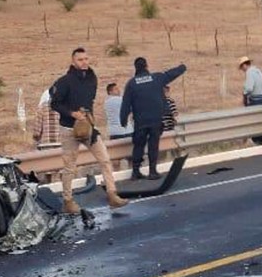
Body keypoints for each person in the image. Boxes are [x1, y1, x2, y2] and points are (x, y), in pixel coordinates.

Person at [50, 47, 129, 212]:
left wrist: (89, 119)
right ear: (73, 61)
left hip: (88, 127)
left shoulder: (92, 78)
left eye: (86, 59)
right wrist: (72, 113)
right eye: (80, 59)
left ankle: (112, 194)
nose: (84, 62)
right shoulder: (64, 81)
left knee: (105, 159)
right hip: (69, 128)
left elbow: (90, 101)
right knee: (70, 166)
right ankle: (68, 201)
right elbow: (55, 104)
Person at [120, 56, 186, 181]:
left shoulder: (132, 83)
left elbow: (125, 103)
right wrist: (182, 67)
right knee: (153, 144)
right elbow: (170, 74)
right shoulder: (156, 78)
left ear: (135, 68)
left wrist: (123, 120)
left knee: (138, 145)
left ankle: (135, 171)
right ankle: (152, 171)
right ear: (146, 66)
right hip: (155, 119)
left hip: (140, 120)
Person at [239, 56, 262, 145]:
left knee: (253, 120)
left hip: (255, 100)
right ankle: (261, 138)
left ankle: (257, 139)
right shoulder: (258, 71)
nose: (242, 69)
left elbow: (249, 88)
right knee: (259, 120)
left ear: (244, 65)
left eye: (241, 67)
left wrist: (244, 95)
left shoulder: (249, 73)